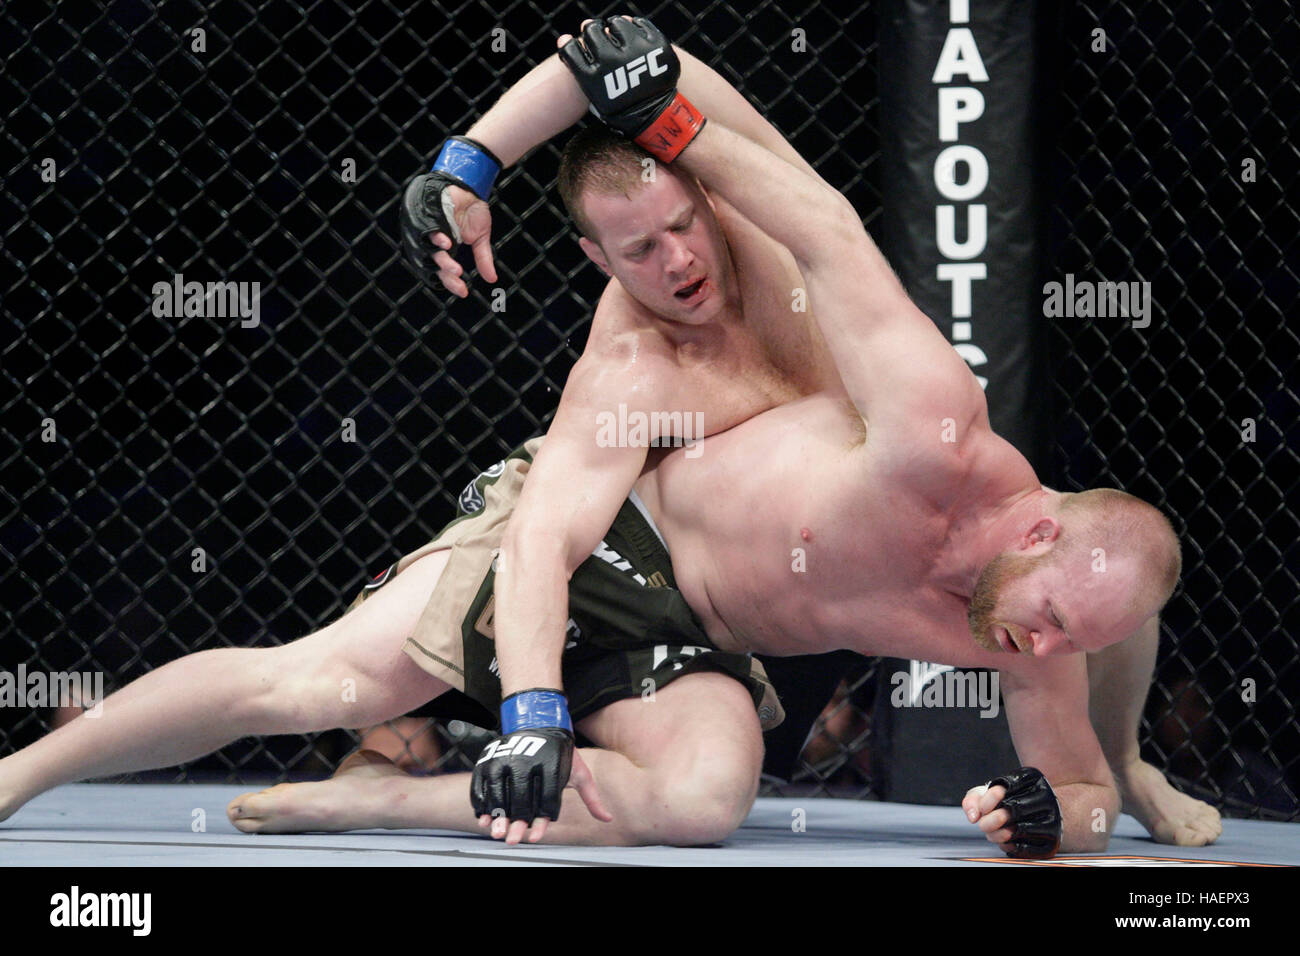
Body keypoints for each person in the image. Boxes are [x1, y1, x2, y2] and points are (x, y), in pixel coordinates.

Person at [0, 19, 1220, 858]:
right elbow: (545, 539)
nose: (675, 263)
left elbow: (666, 84)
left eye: (683, 228)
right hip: (612, 542)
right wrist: (468, 160)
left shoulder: (780, 242)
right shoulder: (632, 364)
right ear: (592, 257)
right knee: (327, 678)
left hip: (701, 629)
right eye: (636, 250)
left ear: (710, 199)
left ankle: (402, 795)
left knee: (713, 795)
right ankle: (23, 774)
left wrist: (1078, 807)